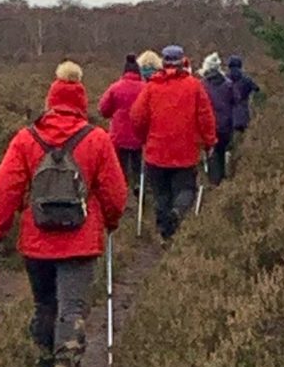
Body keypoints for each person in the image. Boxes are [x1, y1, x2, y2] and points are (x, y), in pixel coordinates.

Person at [0, 61, 128, 367]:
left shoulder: (25, 138)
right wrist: (110, 221)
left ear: (51, 100)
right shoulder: (96, 139)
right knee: (72, 306)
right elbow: (115, 192)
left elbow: (5, 187)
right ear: (82, 101)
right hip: (80, 240)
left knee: (44, 304)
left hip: (37, 240)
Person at [131, 44, 216, 240]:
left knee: (161, 194)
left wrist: (144, 138)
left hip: (156, 152)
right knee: (186, 190)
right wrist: (209, 142)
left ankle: (164, 233)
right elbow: (205, 117)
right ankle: (177, 213)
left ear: (163, 62)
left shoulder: (151, 87)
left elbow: (136, 117)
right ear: (182, 62)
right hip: (185, 153)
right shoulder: (194, 86)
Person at [99, 51, 150, 190]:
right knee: (137, 162)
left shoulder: (115, 87)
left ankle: (121, 188)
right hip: (139, 134)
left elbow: (103, 109)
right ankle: (139, 185)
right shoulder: (146, 88)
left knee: (120, 165)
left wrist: (112, 114)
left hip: (119, 134)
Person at [199, 53, 234, 185]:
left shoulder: (201, 85)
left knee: (211, 152)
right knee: (222, 150)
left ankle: (215, 181)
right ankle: (224, 177)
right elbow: (234, 102)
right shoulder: (228, 84)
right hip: (226, 124)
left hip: (209, 125)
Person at [225, 52, 260, 156]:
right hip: (242, 115)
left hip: (227, 116)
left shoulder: (224, 79)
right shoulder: (246, 79)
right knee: (239, 145)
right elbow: (257, 89)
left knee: (227, 145)